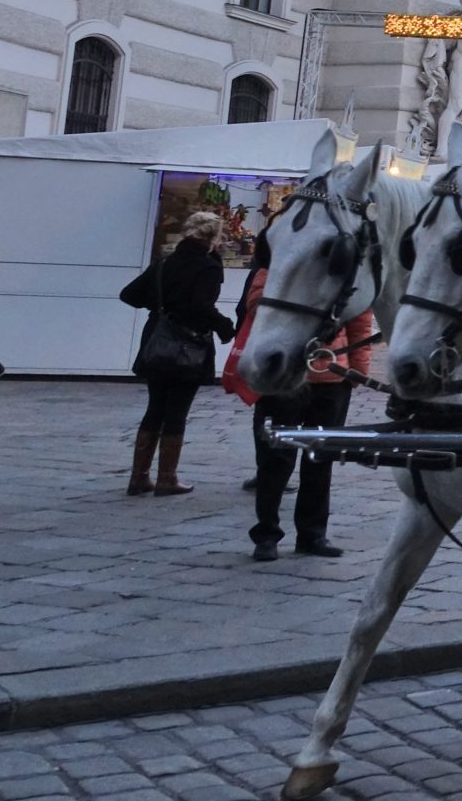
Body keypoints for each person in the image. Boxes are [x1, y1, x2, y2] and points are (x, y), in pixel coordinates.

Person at [249, 237, 371, 561]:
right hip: (285, 375)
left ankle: (312, 534)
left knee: (321, 460)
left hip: (331, 377)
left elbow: (360, 319)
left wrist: (357, 368)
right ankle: (267, 534)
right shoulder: (282, 263)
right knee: (276, 459)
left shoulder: (348, 270)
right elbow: (257, 300)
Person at [120, 211, 238, 496]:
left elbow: (130, 295)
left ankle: (139, 476)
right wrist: (224, 326)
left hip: (158, 343)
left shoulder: (164, 263)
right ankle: (167, 477)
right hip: (188, 347)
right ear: (213, 236)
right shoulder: (207, 266)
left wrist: (162, 306)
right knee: (177, 411)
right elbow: (201, 306)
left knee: (155, 408)